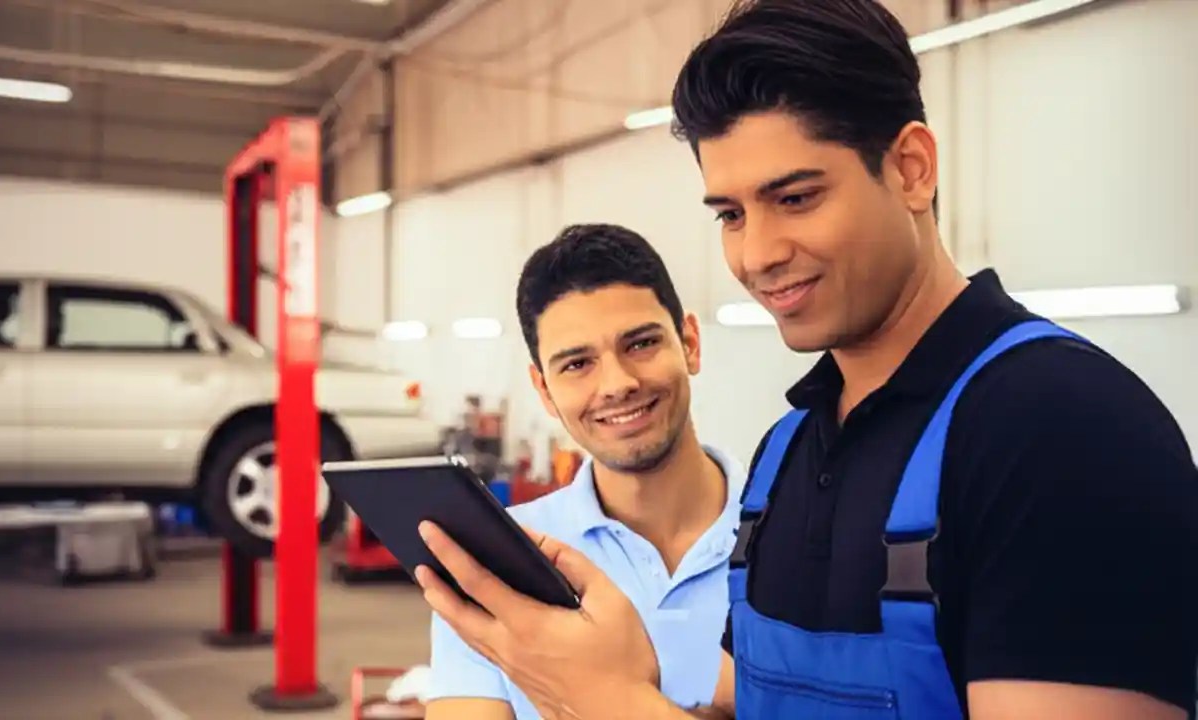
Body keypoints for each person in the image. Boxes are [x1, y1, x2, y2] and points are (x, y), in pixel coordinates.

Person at [413, 0, 1198, 718]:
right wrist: (608, 672)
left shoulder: (1063, 431)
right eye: (730, 213)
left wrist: (610, 701)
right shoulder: (785, 457)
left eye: (796, 198)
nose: (758, 254)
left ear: (911, 169)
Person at [424, 224, 747, 719]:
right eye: (577, 364)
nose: (617, 384)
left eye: (640, 344)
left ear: (690, 344)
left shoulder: (800, 526)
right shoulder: (498, 558)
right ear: (545, 390)